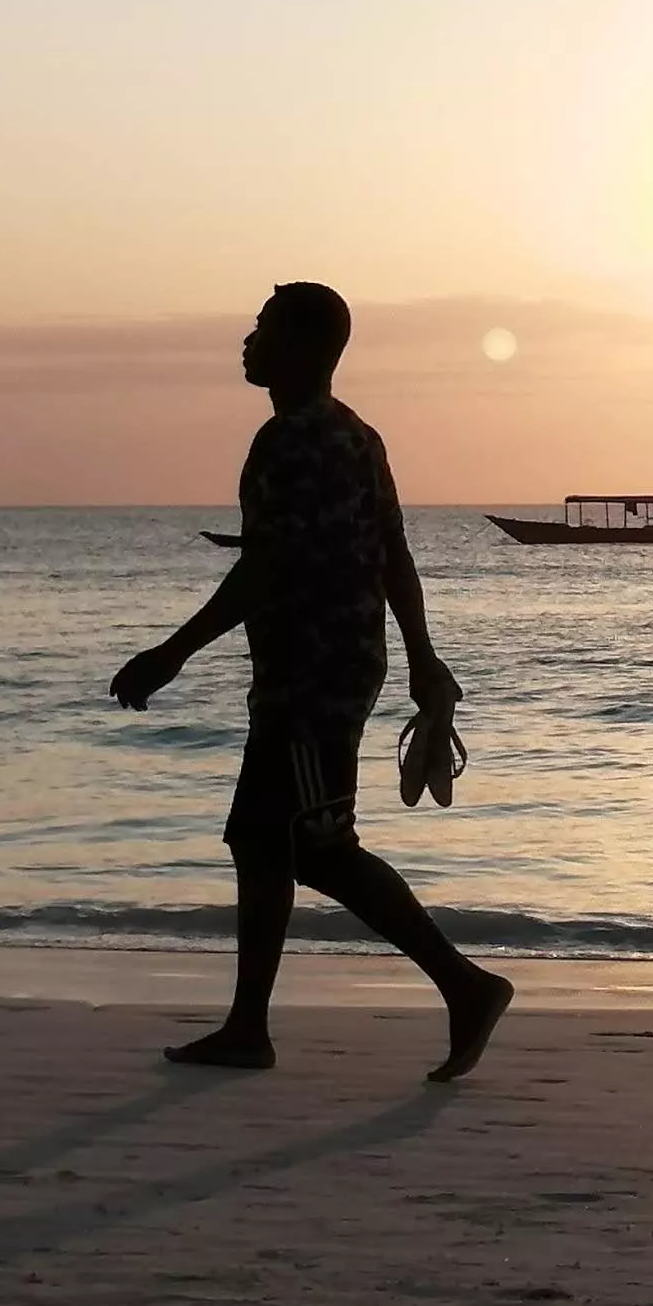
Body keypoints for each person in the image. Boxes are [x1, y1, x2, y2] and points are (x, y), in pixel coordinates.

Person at [111, 284, 511, 1080]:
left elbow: (269, 567)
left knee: (319, 850)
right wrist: (422, 657)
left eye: (262, 329)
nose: (247, 342)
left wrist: (173, 651)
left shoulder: (291, 442)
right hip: (340, 666)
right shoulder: (358, 437)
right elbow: (393, 553)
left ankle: (466, 986)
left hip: (310, 678)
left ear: (302, 346)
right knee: (265, 841)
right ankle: (248, 1029)